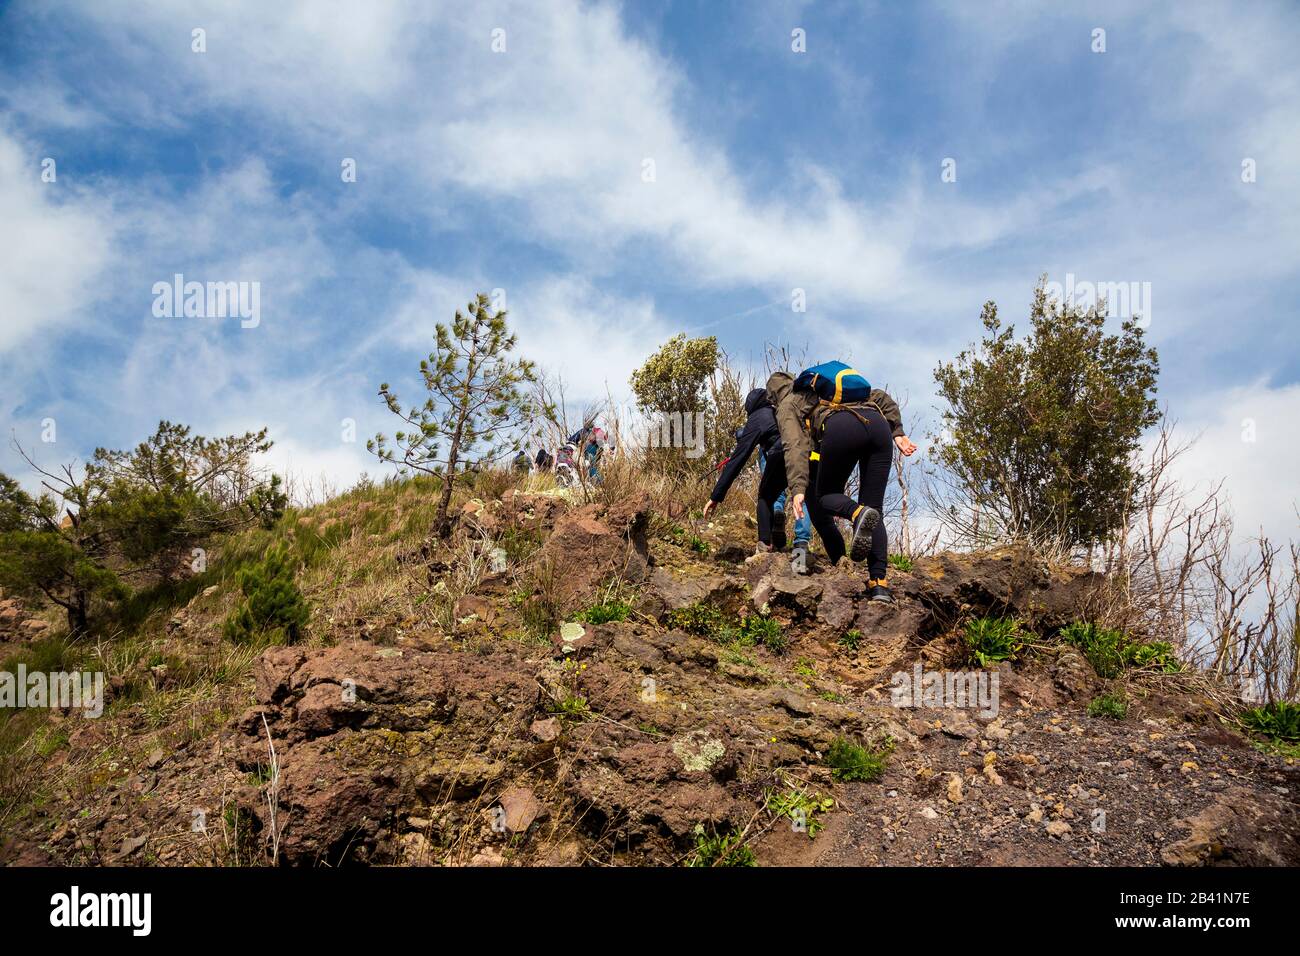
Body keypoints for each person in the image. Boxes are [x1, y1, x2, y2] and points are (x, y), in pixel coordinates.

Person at [769, 363, 918, 603]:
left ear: (776, 396)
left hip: (841, 429)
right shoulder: (829, 389)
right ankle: (879, 585)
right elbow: (881, 396)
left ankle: (857, 514)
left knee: (825, 497)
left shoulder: (788, 404)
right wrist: (897, 431)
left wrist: (797, 489)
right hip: (878, 427)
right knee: (875, 509)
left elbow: (794, 447)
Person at [702, 388, 787, 554]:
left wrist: (715, 497)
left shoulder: (757, 418)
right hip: (803, 453)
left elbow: (737, 461)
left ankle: (764, 544)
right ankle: (785, 544)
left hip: (779, 453)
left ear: (751, 407)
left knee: (765, 496)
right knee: (797, 497)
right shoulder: (778, 411)